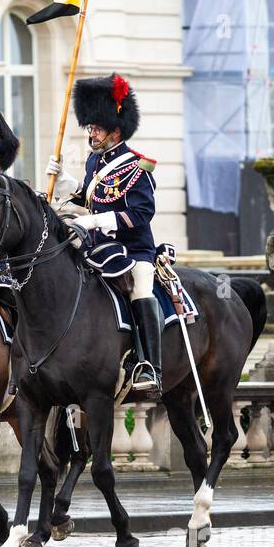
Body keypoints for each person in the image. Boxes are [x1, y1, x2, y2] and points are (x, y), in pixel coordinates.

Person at [49, 73, 161, 392]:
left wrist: (97, 222)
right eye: (91, 127)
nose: (92, 133)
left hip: (134, 250)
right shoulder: (94, 162)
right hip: (99, 248)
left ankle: (148, 364)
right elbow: (92, 197)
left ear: (115, 130)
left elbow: (141, 214)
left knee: (141, 289)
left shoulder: (138, 167)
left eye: (97, 128)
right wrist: (64, 182)